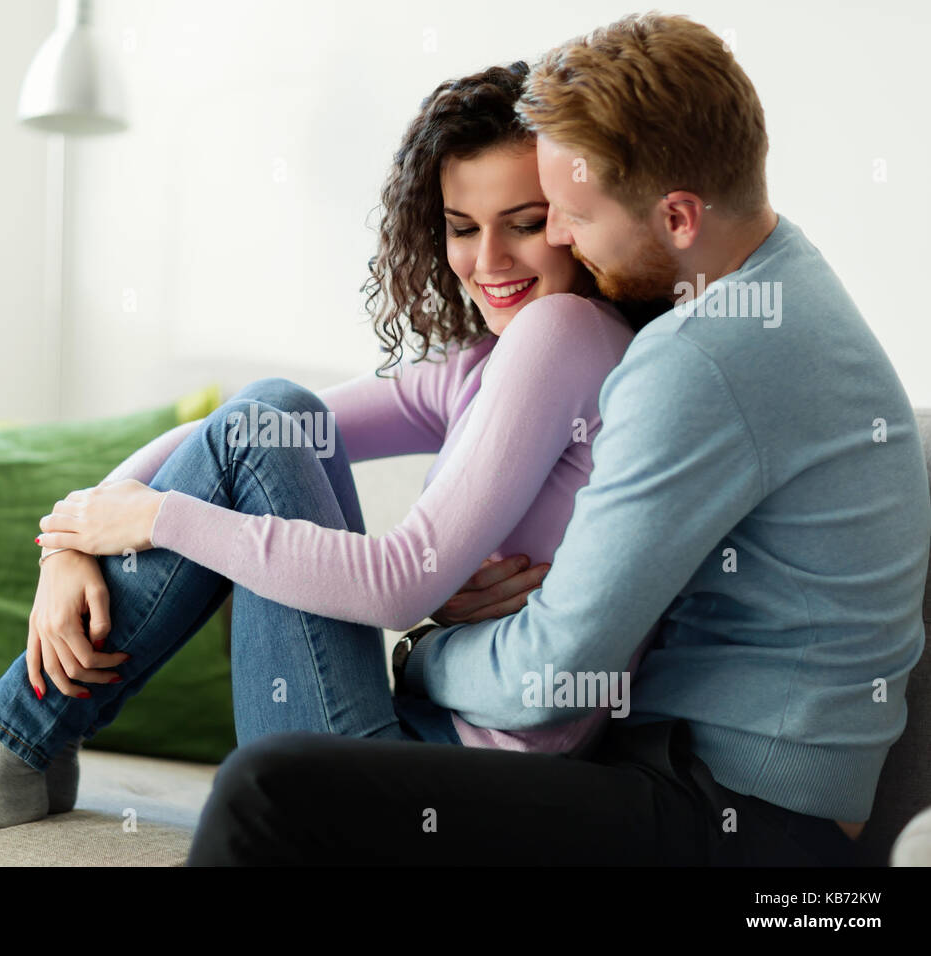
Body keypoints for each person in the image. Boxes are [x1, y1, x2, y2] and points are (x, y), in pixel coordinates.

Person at [0, 62, 660, 849]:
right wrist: (73, 534)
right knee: (274, 412)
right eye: (462, 228)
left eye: (525, 224)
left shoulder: (566, 331)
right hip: (408, 745)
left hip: (435, 788)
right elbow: (226, 435)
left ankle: (11, 746)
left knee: (269, 419)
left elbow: (402, 581)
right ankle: (16, 746)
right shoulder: (482, 366)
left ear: (575, 222)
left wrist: (156, 517)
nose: (487, 261)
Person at [185, 12, 931, 866]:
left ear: (680, 217)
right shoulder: (787, 273)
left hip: (735, 820)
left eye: (571, 215)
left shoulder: (699, 360)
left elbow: (550, 679)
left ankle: (23, 737)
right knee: (269, 418)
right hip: (722, 789)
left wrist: (423, 652)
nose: (563, 243)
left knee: (270, 786)